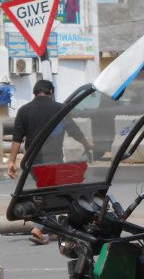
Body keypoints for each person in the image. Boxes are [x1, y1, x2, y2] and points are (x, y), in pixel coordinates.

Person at [8, 80, 93, 243]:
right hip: (53, 159)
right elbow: (74, 131)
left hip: (33, 161)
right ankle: (39, 228)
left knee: (47, 191)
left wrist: (11, 161)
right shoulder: (60, 109)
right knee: (50, 193)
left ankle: (52, 229)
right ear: (51, 92)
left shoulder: (24, 110)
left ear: (35, 93)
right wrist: (87, 144)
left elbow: (17, 138)